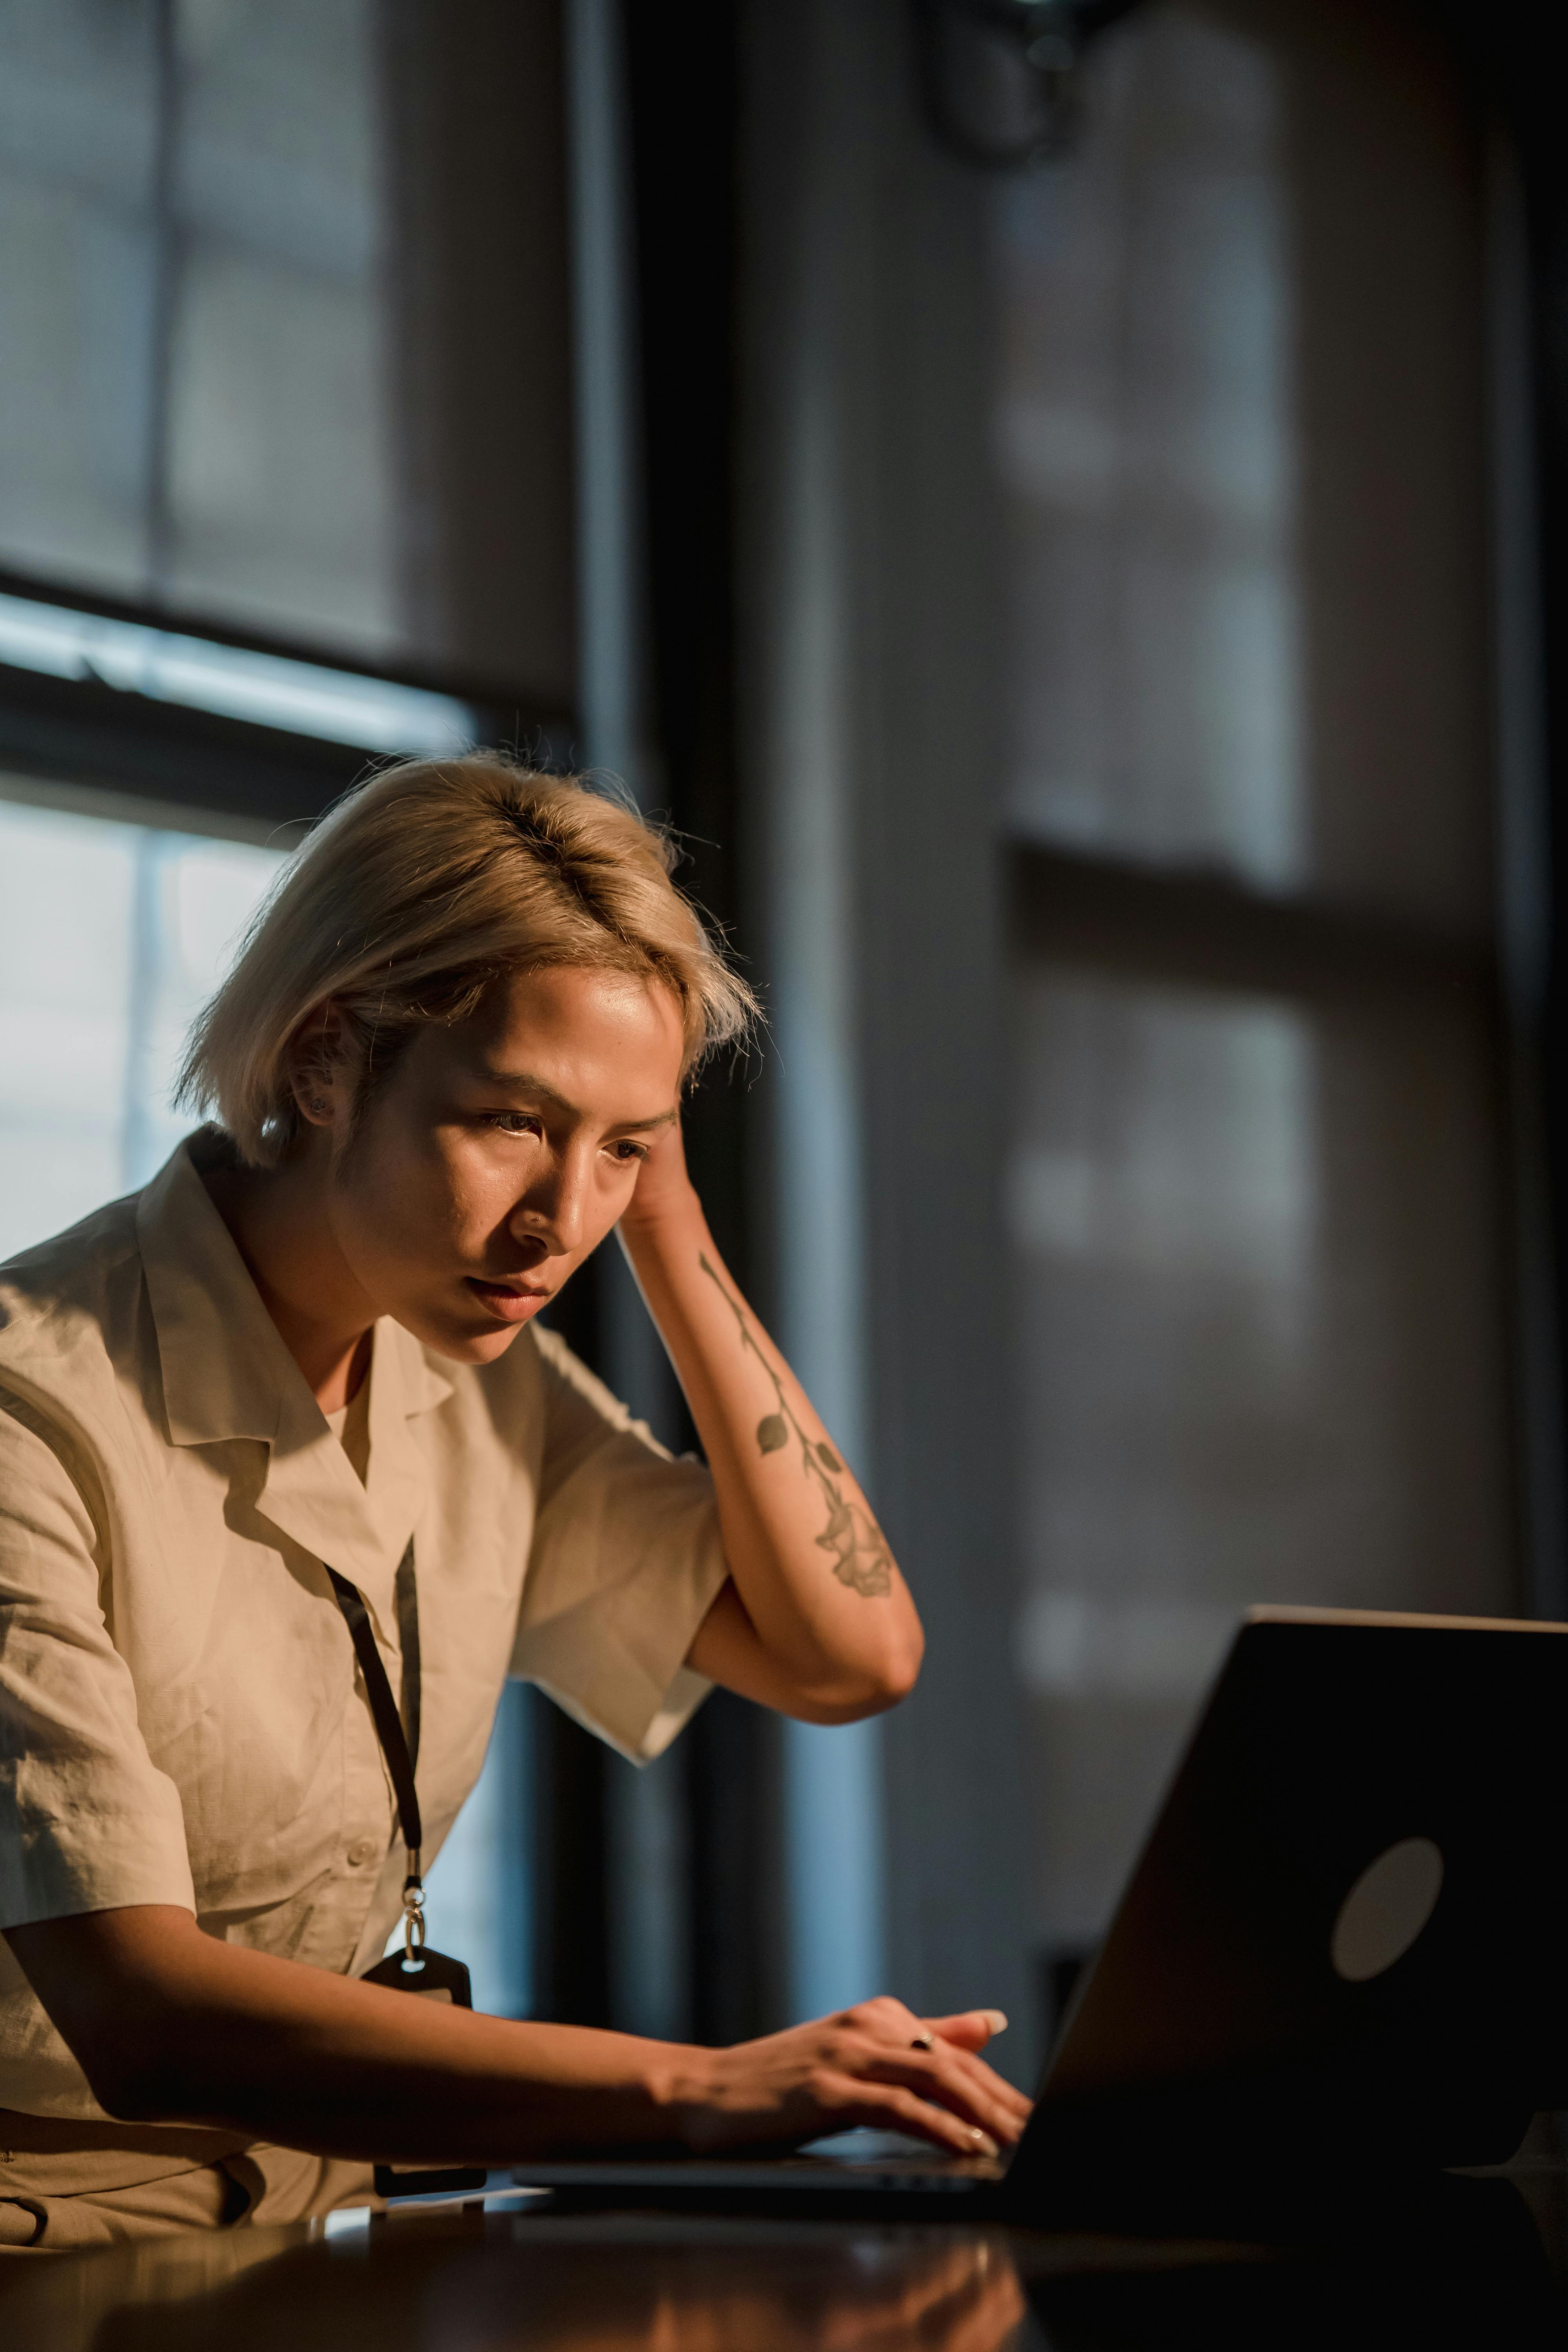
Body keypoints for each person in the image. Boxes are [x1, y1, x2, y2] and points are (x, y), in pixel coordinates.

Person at [0, 757, 1026, 2248]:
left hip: (306, 2236)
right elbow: (143, 2019)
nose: (560, 1223)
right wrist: (707, 2090)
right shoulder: (30, 1409)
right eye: (509, 1122)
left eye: (621, 1147)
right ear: (325, 1063)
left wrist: (671, 1222)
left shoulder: (484, 1378)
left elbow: (847, 1657)